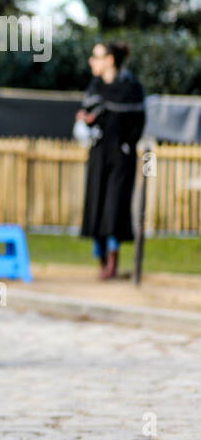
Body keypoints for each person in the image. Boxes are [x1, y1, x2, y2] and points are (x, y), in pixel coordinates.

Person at [77, 41, 145, 280]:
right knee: (96, 203)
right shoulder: (94, 87)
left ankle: (113, 262)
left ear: (110, 60)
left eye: (96, 56)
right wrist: (86, 122)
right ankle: (101, 259)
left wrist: (128, 145)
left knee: (114, 207)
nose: (91, 61)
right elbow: (87, 117)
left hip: (121, 156)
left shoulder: (131, 88)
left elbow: (138, 122)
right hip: (98, 154)